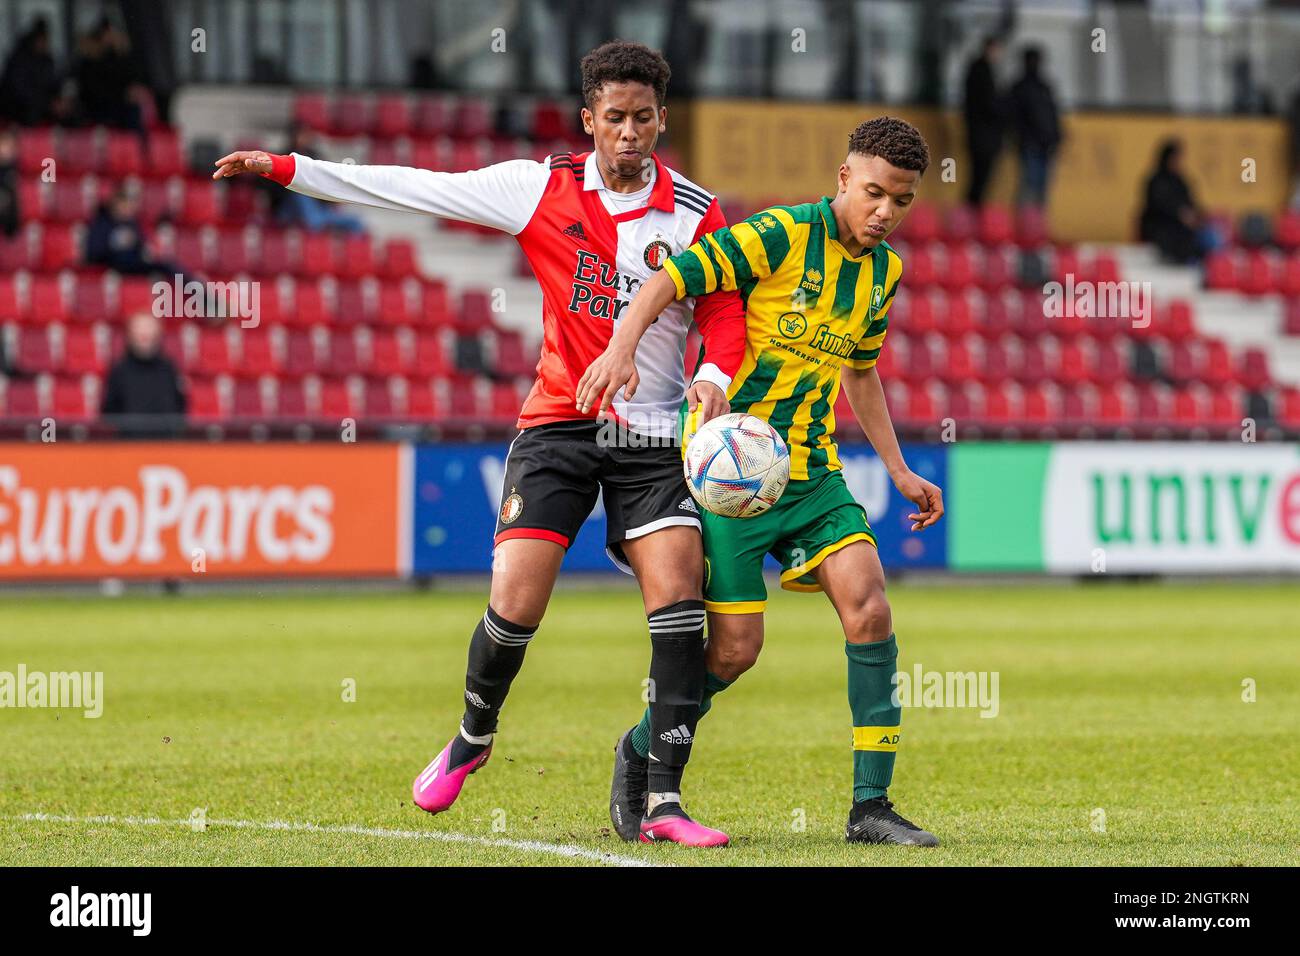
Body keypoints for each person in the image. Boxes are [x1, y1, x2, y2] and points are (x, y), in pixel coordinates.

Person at [213, 41, 746, 846]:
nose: (629, 132)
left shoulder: (698, 211)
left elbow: (725, 316)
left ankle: (661, 801)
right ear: (589, 120)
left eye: (643, 118)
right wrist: (291, 169)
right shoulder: (540, 188)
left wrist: (715, 382)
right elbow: (415, 188)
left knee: (679, 606)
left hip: (655, 436)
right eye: (614, 118)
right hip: (560, 423)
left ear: (662, 120)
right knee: (515, 601)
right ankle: (474, 732)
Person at [578, 116, 946, 846]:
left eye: (900, 201)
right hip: (730, 477)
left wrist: (899, 468)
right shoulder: (780, 233)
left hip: (810, 473)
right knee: (734, 653)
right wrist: (623, 348)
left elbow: (861, 370)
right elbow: (672, 277)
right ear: (843, 178)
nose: (884, 212)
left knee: (870, 609)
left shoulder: (884, 272)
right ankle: (642, 744)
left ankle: (870, 807)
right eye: (873, 193)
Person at [101, 311, 187, 437]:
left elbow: (180, 406)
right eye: (140, 334)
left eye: (149, 333)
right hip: (129, 447)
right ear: (130, 335)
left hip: (166, 446)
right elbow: (109, 412)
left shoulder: (168, 369)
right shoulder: (119, 371)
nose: (145, 338)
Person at [1138, 139, 1217, 264]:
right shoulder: (1156, 181)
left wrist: (1198, 215)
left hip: (1183, 227)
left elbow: (1191, 203)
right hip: (1160, 226)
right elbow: (1157, 205)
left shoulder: (1180, 181)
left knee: (1208, 234)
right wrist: (1180, 214)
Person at [85, 186, 184, 277]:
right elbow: (93, 253)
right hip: (112, 265)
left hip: (134, 263)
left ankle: (195, 288)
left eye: (129, 206)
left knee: (165, 264)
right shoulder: (101, 224)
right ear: (115, 204)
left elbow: (141, 244)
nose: (127, 209)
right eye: (124, 205)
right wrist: (114, 247)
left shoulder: (131, 223)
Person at [1007, 46, 1061, 208]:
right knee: (1030, 185)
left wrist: (1056, 137)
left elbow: (1052, 115)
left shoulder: (1042, 86)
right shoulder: (1023, 87)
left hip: (1044, 143)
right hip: (1032, 142)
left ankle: (1034, 226)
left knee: (1040, 187)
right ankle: (1025, 226)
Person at [963, 35, 1006, 207]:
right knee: (980, 178)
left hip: (979, 133)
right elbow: (988, 105)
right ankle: (971, 218)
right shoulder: (983, 71)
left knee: (978, 178)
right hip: (984, 135)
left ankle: (971, 217)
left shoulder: (978, 70)